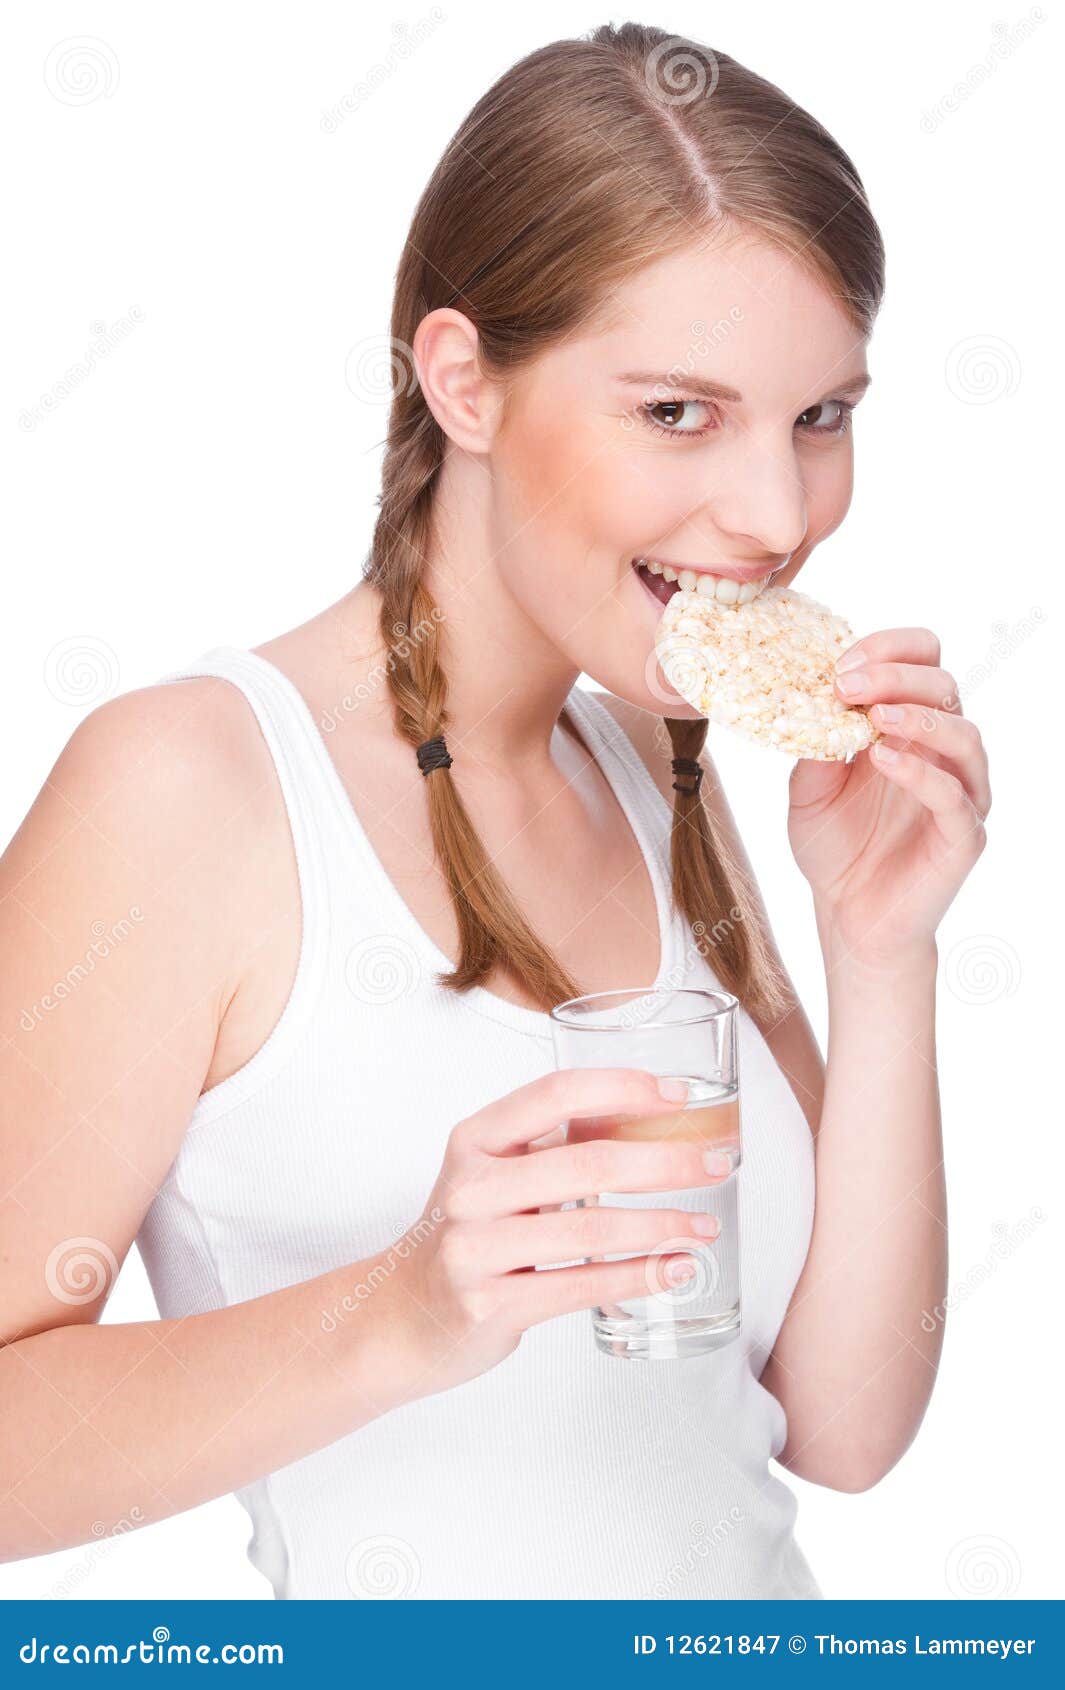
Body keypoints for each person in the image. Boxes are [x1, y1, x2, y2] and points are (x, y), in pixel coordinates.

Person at [0, 23, 990, 1600]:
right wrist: (398, 1309)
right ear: (461, 379)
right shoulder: (188, 787)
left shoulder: (652, 760)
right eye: (676, 412)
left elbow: (842, 1425)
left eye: (820, 415)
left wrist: (880, 950)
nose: (774, 514)